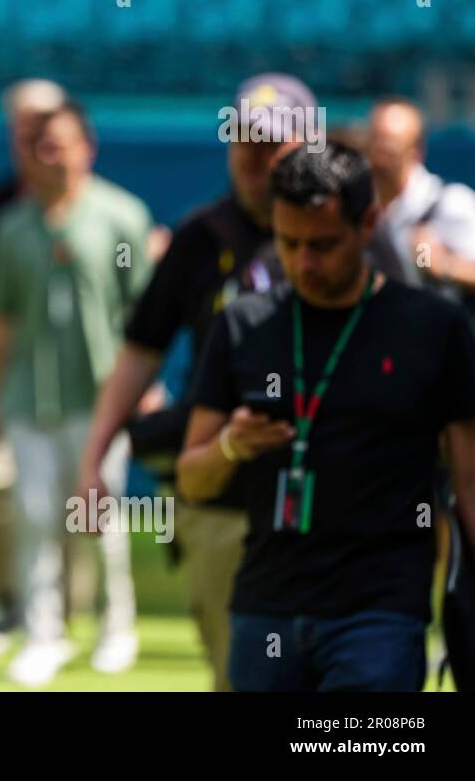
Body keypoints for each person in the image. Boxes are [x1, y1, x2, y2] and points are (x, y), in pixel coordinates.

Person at [179, 142, 475, 691]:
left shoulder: (432, 327)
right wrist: (232, 446)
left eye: (323, 244)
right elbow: (192, 480)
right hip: (266, 608)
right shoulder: (245, 324)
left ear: (368, 224)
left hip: (381, 610)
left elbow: (469, 483)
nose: (303, 263)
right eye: (287, 243)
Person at [75, 73, 312, 690]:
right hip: (221, 493)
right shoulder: (201, 238)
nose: (256, 156)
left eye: (272, 142)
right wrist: (95, 458)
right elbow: (140, 351)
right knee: (239, 672)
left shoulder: (341, 234)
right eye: (244, 140)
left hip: (328, 494)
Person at [0, 99, 153, 686]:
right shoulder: (10, 227)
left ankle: (117, 628)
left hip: (101, 399)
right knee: (33, 519)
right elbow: (0, 320)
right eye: (41, 146)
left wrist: (144, 390)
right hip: (28, 399)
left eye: (61, 145)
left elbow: (144, 318)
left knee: (101, 519)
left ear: (87, 149)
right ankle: (44, 635)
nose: (50, 156)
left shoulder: (123, 216)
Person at [0, 78, 67, 648]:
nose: (32, 137)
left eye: (42, 123)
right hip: (3, 378)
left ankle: (66, 616)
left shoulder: (97, 206)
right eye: (22, 125)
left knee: (70, 502)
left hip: (73, 385)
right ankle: (10, 606)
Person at [365, 95, 475, 304]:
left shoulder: (450, 203)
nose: (380, 158)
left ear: (416, 150)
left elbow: (430, 265)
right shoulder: (363, 207)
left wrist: (441, 265)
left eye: (390, 148)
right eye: (375, 142)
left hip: (442, 322)